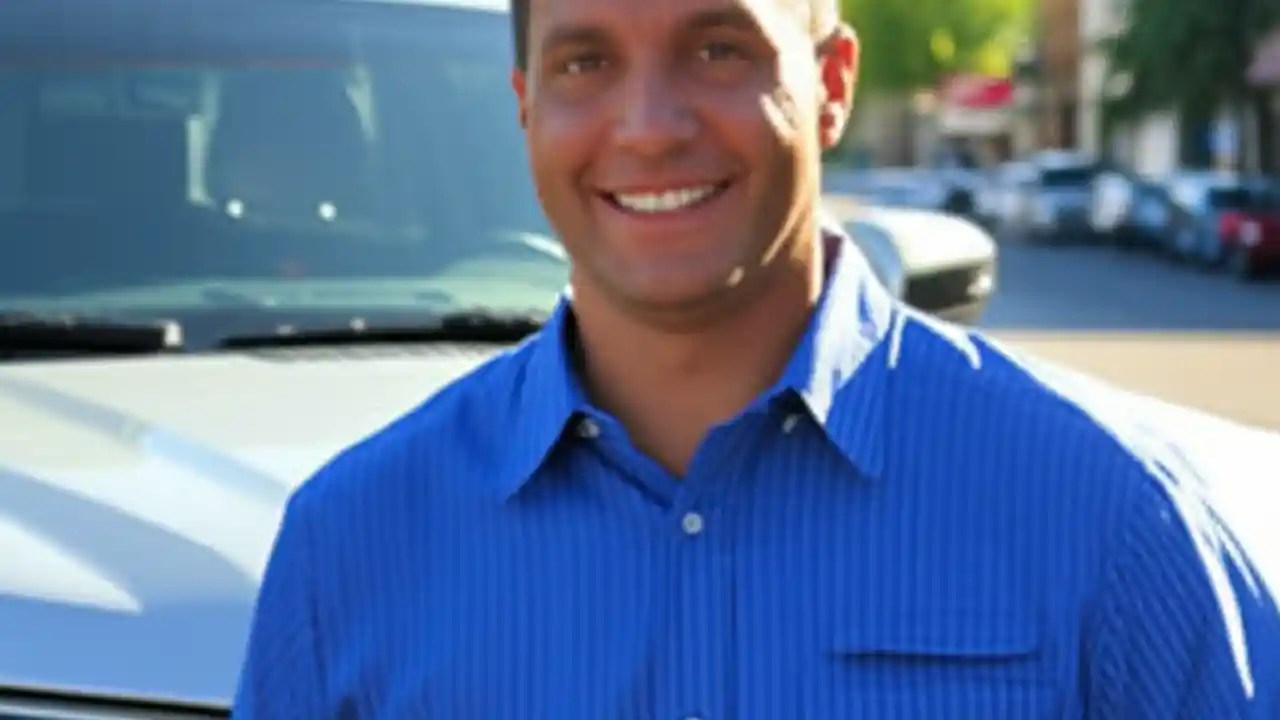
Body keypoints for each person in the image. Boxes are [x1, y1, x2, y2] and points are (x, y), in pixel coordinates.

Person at [233, 0, 1280, 716]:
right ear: (524, 108)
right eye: (584, 61)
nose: (645, 128)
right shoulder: (349, 547)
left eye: (717, 47)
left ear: (829, 84)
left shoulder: (1109, 519)